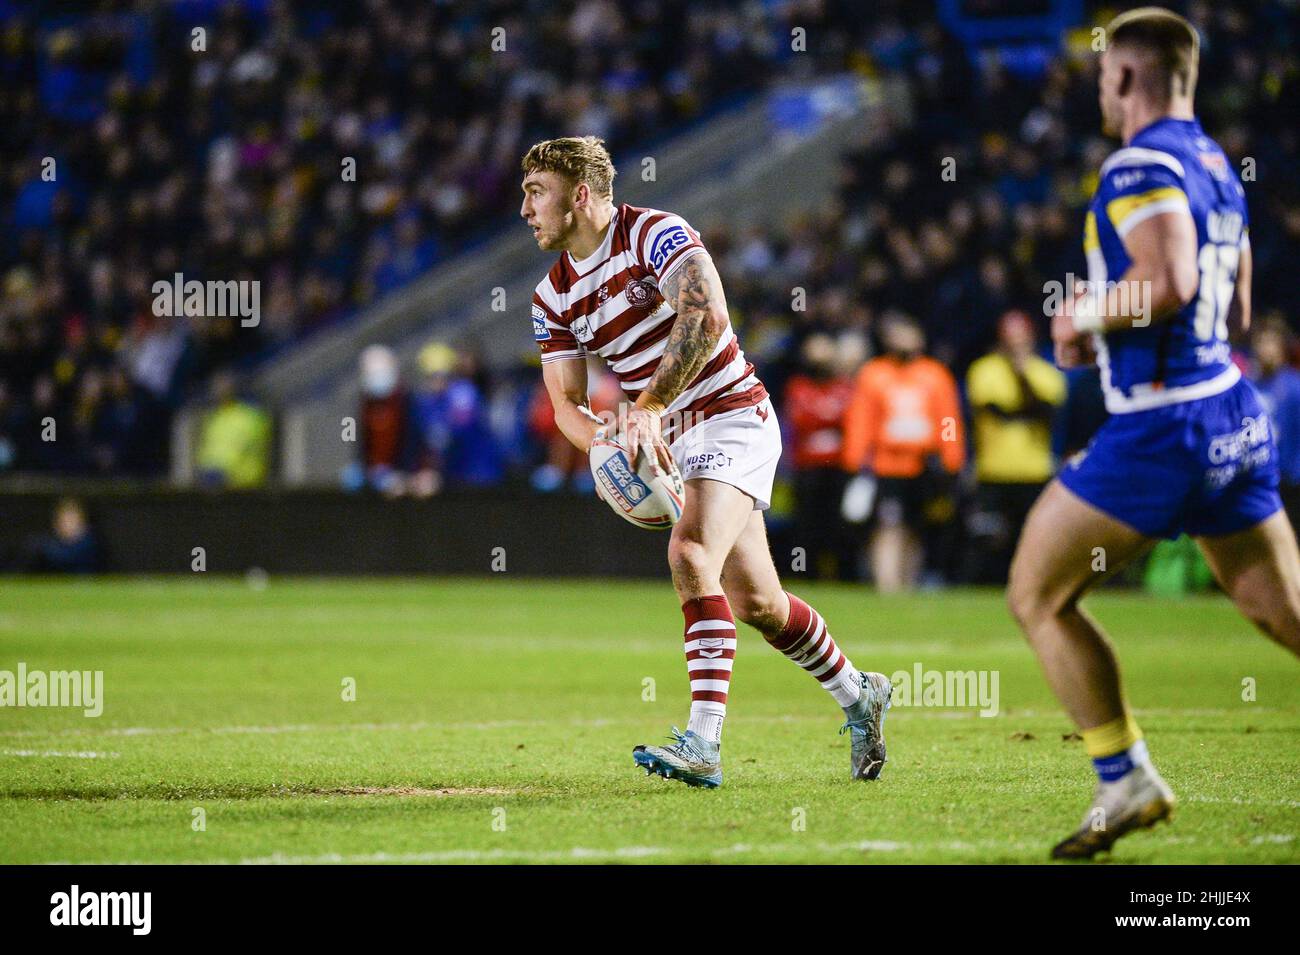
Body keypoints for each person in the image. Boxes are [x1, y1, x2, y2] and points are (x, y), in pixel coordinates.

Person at [1008, 7, 1300, 860]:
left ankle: (1124, 775)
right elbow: (1236, 307)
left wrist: (1084, 315)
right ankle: (1125, 778)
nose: (1102, 90)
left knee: (1037, 592)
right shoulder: (1217, 164)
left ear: (1128, 76)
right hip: (1232, 412)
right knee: (1282, 613)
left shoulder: (1140, 164)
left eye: (1105, 76)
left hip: (1163, 423)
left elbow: (1167, 279)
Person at [520, 136, 892, 787]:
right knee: (761, 604)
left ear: (579, 195)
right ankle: (861, 694)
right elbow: (568, 405)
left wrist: (650, 405)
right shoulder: (551, 297)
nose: (525, 207)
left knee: (689, 555)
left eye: (535, 192)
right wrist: (606, 444)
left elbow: (705, 312)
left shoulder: (656, 235)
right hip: (665, 438)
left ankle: (703, 744)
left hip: (730, 415)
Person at [841, 312, 965, 591]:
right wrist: (855, 458)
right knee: (888, 525)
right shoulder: (875, 373)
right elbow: (862, 418)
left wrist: (951, 457)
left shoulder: (934, 374)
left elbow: (947, 419)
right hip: (887, 465)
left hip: (923, 464)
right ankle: (887, 584)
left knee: (916, 528)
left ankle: (908, 582)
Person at [965, 310, 1066, 583]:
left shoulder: (1046, 373)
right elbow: (996, 412)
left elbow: (1047, 414)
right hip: (994, 469)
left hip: (1034, 469)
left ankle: (1030, 584)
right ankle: (986, 587)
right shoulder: (984, 371)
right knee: (989, 536)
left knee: (1033, 536)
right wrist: (1024, 403)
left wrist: (1022, 377)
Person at [782, 332, 858, 580]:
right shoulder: (798, 386)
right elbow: (801, 419)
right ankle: (805, 572)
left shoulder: (844, 387)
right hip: (807, 467)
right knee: (806, 524)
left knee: (839, 523)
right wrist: (829, 416)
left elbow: (851, 418)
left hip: (838, 466)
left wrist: (823, 416)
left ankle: (842, 575)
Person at [1249, 316, 1300, 527]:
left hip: (1289, 483)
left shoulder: (1294, 387)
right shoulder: (1249, 386)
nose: (1266, 349)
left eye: (1272, 342)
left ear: (1282, 347)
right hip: (1258, 480)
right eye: (1262, 342)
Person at [195, 372, 272, 489]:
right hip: (211, 475)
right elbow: (208, 449)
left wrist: (223, 472)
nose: (218, 390)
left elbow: (245, 450)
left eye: (223, 385)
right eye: (217, 386)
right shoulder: (215, 416)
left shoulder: (250, 415)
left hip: (241, 481)